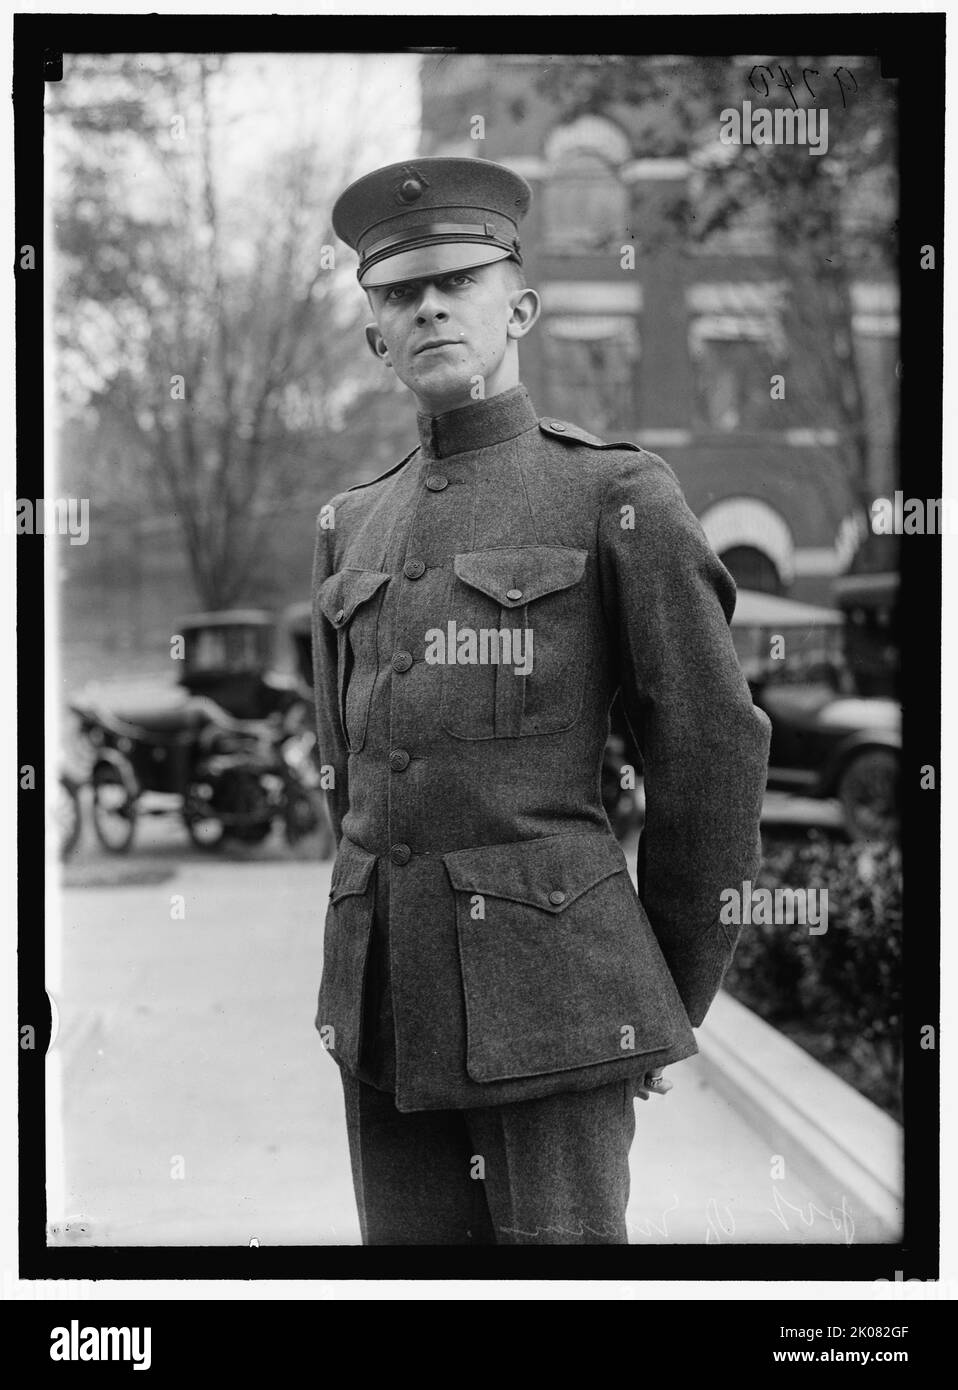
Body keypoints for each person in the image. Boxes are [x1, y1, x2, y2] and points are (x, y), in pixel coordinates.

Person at [310, 156, 771, 1245]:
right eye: (395, 294)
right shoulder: (347, 524)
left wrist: (659, 995)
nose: (426, 305)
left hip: (557, 1002)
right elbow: (348, 765)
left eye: (457, 281)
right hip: (381, 1006)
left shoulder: (614, 496)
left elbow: (710, 756)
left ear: (517, 305)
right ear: (375, 334)